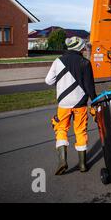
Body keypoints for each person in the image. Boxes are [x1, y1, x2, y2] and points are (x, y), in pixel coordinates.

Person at [45, 36, 97, 175]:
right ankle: (82, 164)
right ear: (80, 48)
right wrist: (95, 102)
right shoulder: (85, 63)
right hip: (80, 103)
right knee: (80, 131)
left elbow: (48, 81)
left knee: (61, 129)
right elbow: (90, 86)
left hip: (63, 104)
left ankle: (62, 160)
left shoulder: (58, 61)